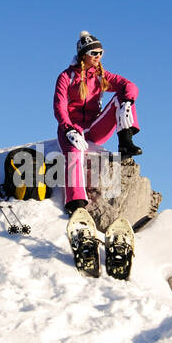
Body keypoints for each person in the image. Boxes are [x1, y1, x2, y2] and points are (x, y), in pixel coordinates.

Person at [52, 30, 141, 214]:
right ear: (83, 55)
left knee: (121, 99)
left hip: (94, 127)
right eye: (94, 53)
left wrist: (128, 101)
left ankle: (126, 142)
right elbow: (59, 105)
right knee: (74, 154)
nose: (98, 56)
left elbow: (129, 85)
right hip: (72, 128)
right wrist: (68, 128)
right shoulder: (66, 77)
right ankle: (76, 203)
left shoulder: (100, 75)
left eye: (101, 52)